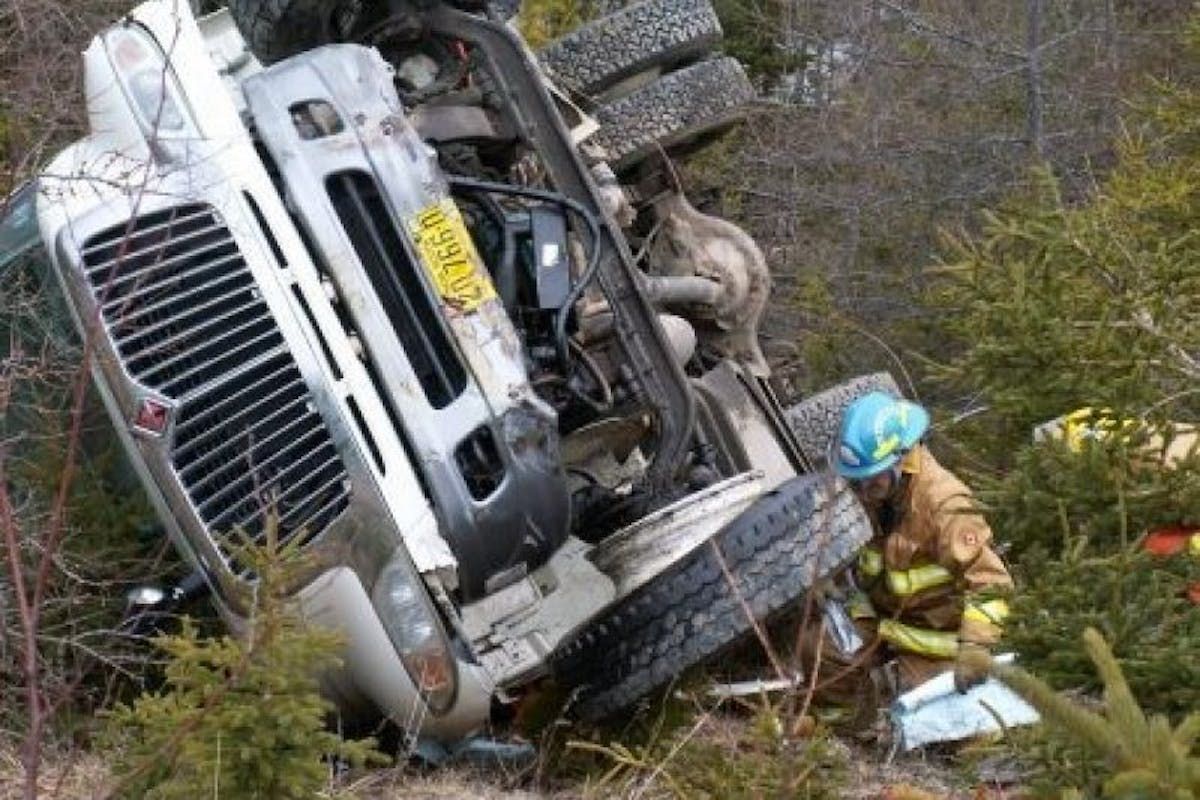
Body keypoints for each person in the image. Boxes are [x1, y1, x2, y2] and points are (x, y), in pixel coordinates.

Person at [819, 391, 1014, 699]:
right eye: (856, 482)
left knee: (941, 723)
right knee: (819, 651)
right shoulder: (872, 495)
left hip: (940, 644)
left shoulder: (943, 506)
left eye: (871, 482)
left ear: (901, 460)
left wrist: (975, 647)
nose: (863, 492)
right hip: (884, 626)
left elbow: (992, 584)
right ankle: (837, 731)